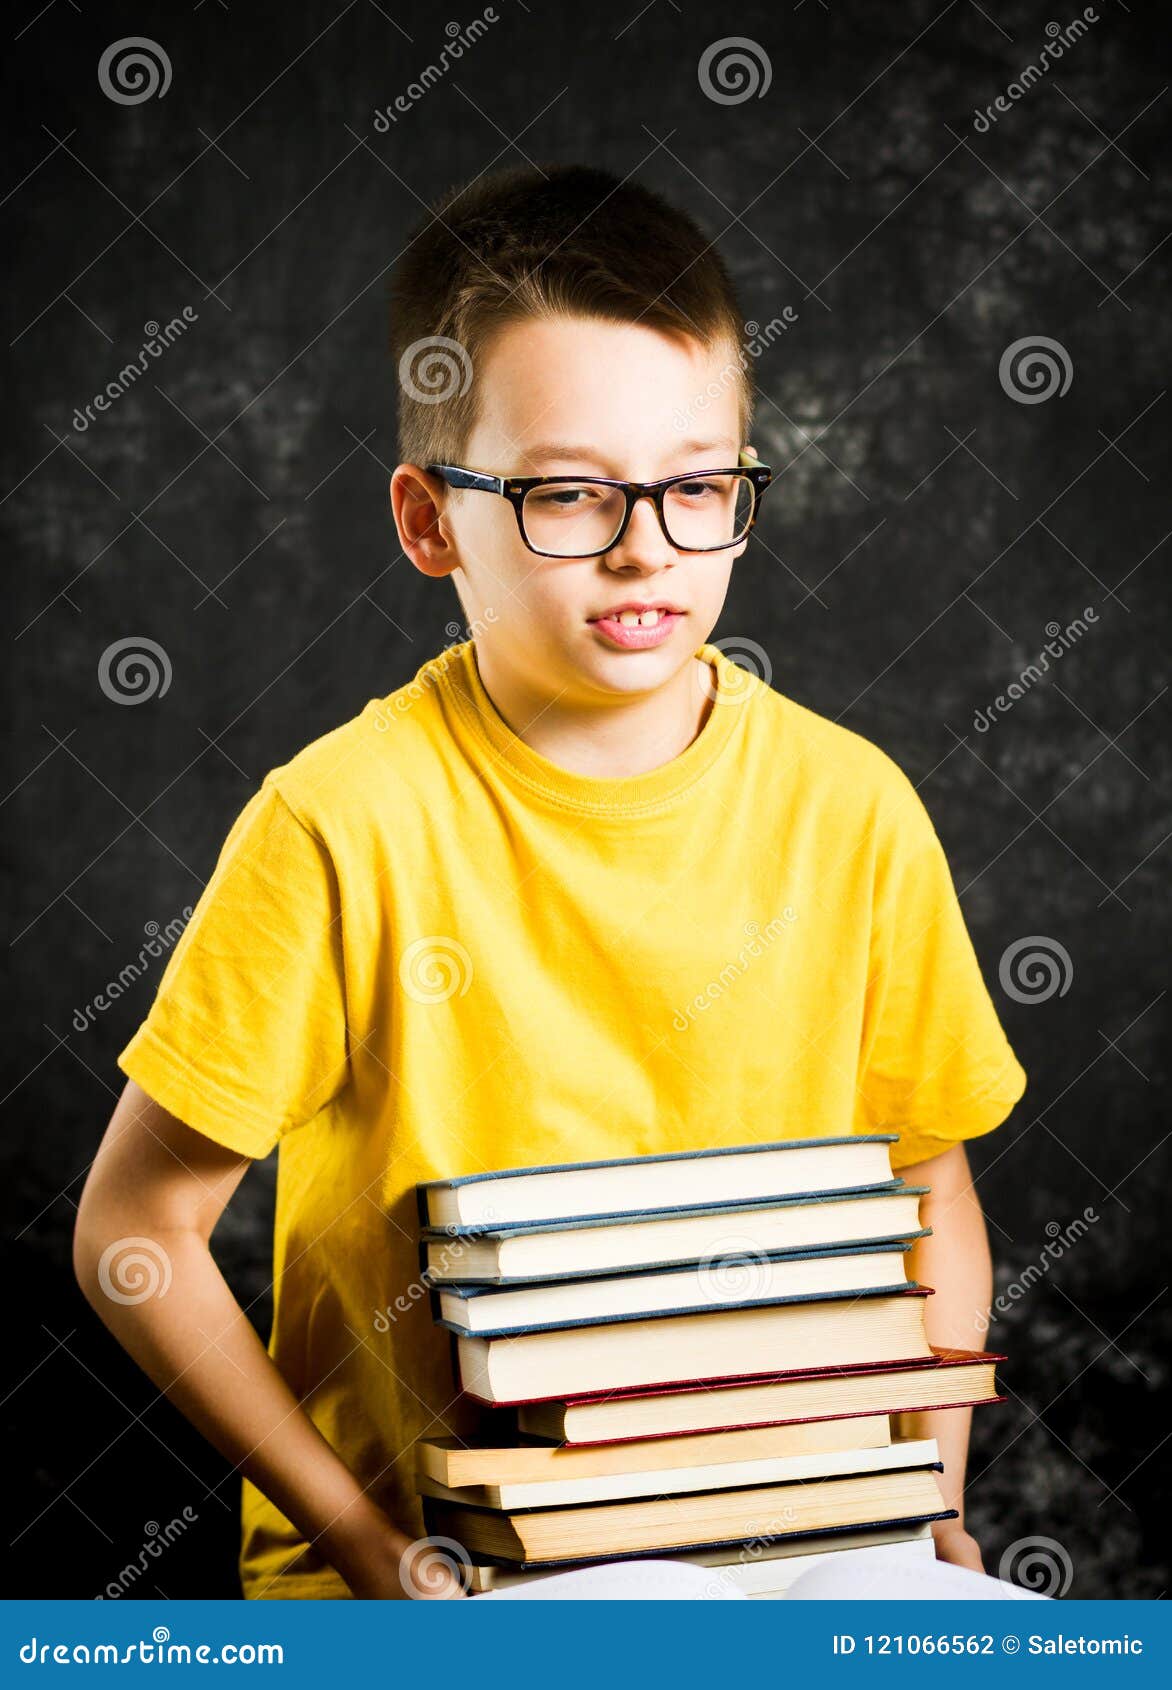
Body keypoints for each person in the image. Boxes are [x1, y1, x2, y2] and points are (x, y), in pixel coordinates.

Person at [73, 164, 1026, 1600]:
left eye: (699, 485)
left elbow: (928, 1179)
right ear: (427, 521)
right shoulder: (341, 823)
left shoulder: (854, 807)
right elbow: (131, 1230)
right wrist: (366, 1540)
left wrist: (929, 1491)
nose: (646, 544)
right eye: (569, 494)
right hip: (468, 1565)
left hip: (807, 1519)